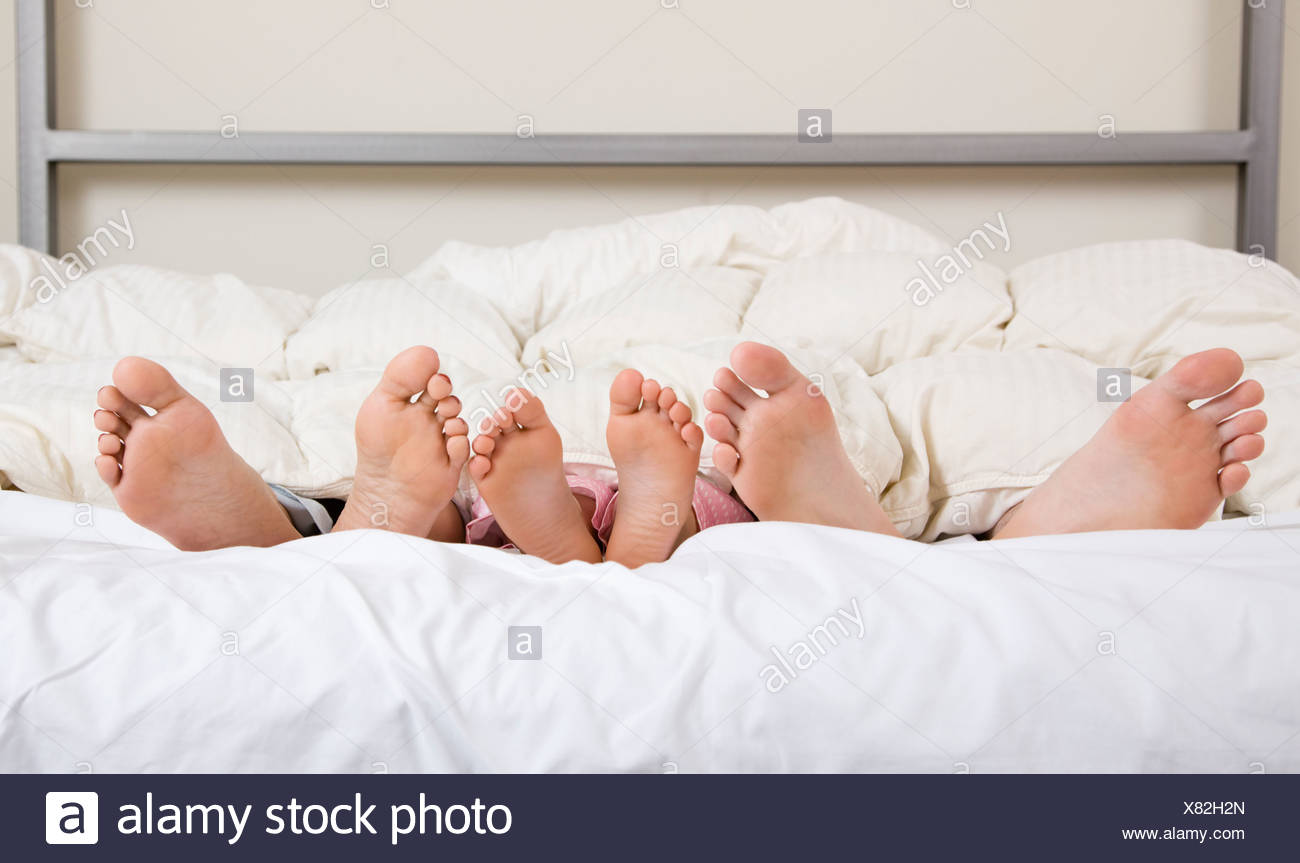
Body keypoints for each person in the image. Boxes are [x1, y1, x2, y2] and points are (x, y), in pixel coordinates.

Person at [91, 341, 1266, 563]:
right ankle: (778, 514)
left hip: (497, 516)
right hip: (706, 503)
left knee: (400, 526)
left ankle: (375, 525)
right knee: (919, 563)